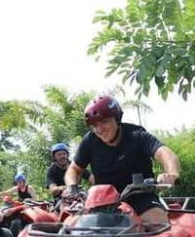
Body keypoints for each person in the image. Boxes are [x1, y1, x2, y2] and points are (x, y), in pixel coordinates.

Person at [63, 95, 181, 224]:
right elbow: (74, 169)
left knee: (157, 222)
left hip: (140, 198)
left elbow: (165, 154)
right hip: (102, 202)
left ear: (117, 118)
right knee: (69, 225)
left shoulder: (137, 135)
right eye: (95, 125)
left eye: (104, 122)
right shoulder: (90, 141)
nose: (100, 129)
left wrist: (172, 174)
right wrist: (72, 187)